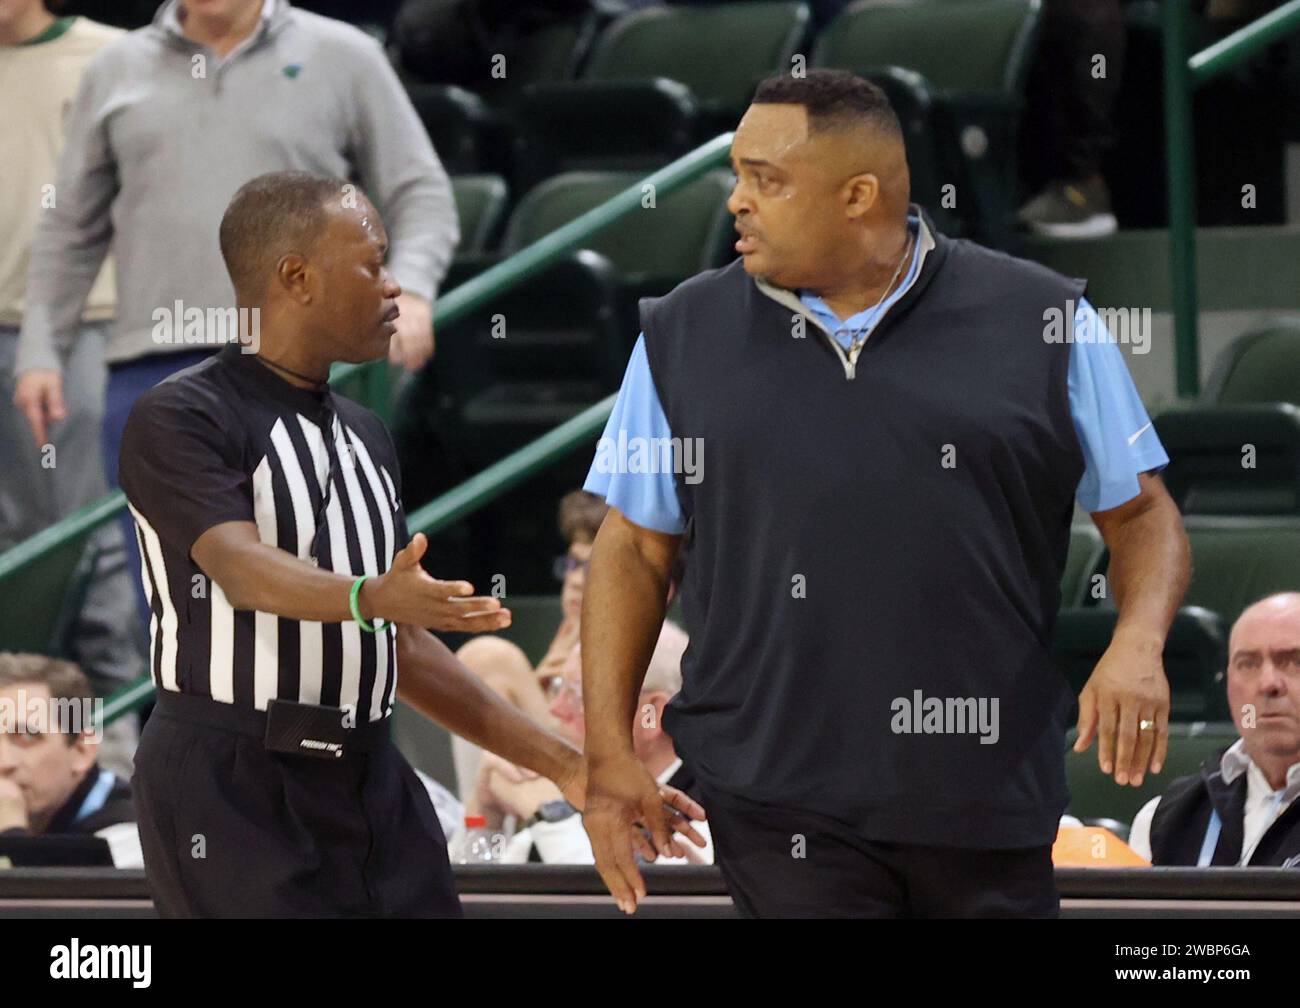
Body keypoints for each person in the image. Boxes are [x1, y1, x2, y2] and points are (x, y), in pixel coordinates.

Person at [579, 69, 1190, 918]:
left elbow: (1142, 513)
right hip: (778, 796)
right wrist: (607, 752)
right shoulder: (681, 334)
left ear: (857, 195)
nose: (736, 203)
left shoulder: (1042, 318)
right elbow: (635, 550)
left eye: (767, 178)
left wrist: (1138, 641)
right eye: (738, 174)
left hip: (985, 788)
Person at [118, 171, 704, 917]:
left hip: (367, 769)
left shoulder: (366, 434)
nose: (394, 287)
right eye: (372, 264)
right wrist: (369, 598)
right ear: (294, 277)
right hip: (233, 775)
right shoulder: (182, 416)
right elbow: (243, 572)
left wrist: (569, 767)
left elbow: (404, 651)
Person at [14, 0, 458, 630]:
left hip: (303, 367)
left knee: (323, 576)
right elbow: (69, 227)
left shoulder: (344, 53)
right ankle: (174, 728)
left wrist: (410, 289)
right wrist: (40, 351)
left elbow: (420, 189)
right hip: (152, 364)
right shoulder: (115, 67)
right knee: (171, 600)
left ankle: (341, 724)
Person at [1, 0, 144, 779]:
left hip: (79, 326)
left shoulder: (112, 56)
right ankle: (17, 748)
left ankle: (110, 744)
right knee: (15, 549)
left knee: (90, 539)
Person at [496, 625, 710, 864]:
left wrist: (551, 815)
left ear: (651, 714)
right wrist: (487, 814)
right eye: (558, 688)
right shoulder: (571, 793)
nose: (556, 709)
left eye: (580, 696)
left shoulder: (709, 811)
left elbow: (624, 896)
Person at [451, 489, 606, 803]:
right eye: (572, 564)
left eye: (592, 567)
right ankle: (478, 825)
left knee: (492, 660)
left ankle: (478, 828)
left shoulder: (644, 640)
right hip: (544, 788)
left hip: (596, 795)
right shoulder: (570, 629)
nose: (575, 580)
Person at [1128, 593, 1300, 866]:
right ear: (1227, 682)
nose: (1268, 684)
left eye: (1293, 661)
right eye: (1248, 664)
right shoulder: (1164, 819)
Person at [0, 653, 142, 868]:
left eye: (26, 737)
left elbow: (54, 896)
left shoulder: (133, 834)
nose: (3, 762)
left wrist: (10, 836)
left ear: (82, 751)